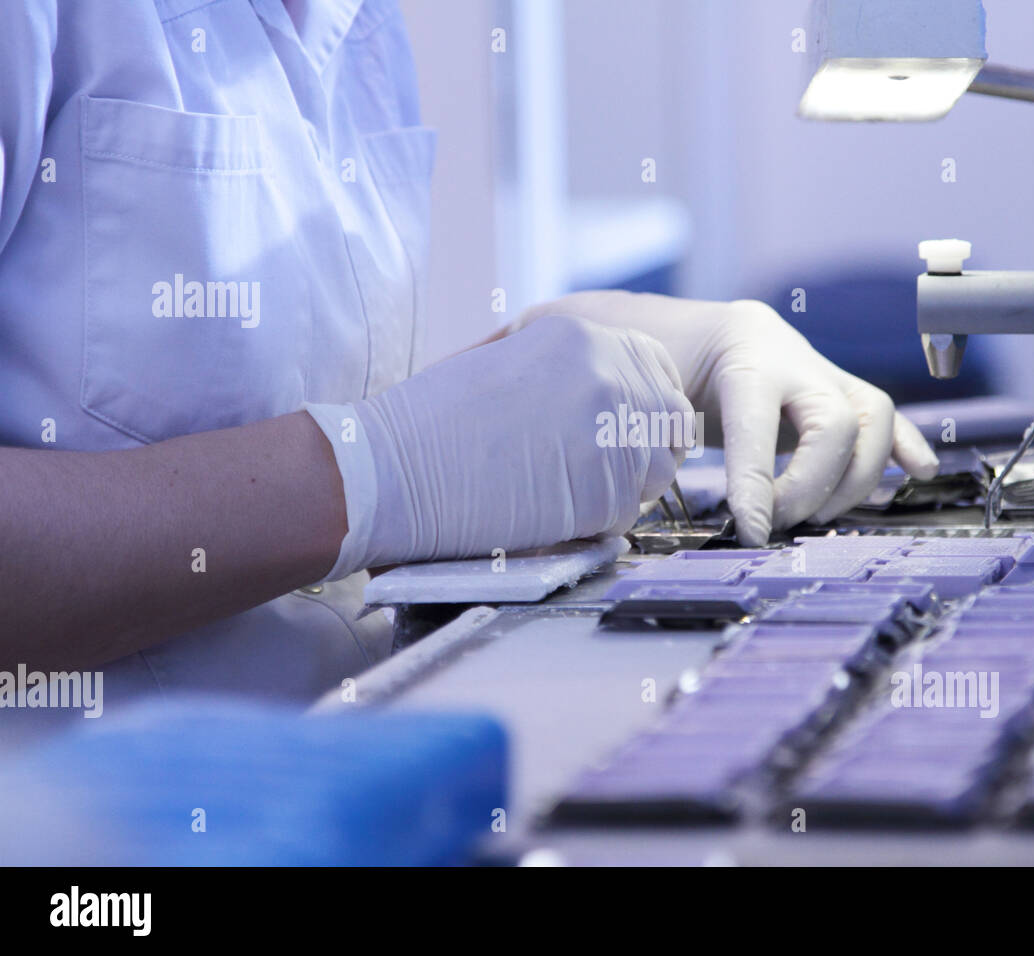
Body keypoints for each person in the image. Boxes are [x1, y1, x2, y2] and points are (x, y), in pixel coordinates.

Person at [0, 0, 938, 705]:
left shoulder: (360, 28)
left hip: (346, 777)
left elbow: (274, 424)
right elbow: (359, 473)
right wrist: (379, 472)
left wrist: (554, 378)